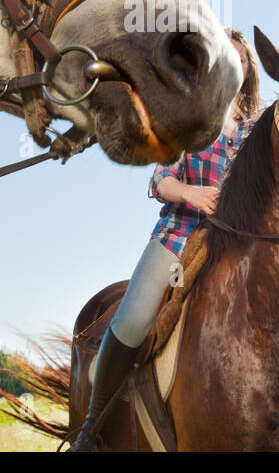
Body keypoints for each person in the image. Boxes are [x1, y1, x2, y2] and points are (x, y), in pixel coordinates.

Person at [70, 27, 262, 451]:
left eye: (241, 61)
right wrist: (193, 194)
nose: (234, 67)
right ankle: (92, 425)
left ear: (246, 73)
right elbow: (161, 181)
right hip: (177, 239)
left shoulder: (255, 133)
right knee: (134, 319)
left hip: (237, 250)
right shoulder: (188, 121)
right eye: (224, 59)